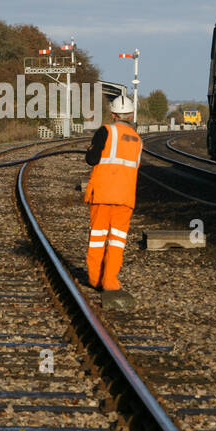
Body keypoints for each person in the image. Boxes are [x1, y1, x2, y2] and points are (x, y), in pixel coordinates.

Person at [83, 95, 142, 291]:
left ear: (113, 114)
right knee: (117, 240)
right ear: (131, 115)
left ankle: (94, 279)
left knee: (98, 237)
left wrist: (89, 151)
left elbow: (92, 159)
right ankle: (110, 281)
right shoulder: (138, 140)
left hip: (102, 194)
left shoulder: (105, 131)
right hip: (125, 198)